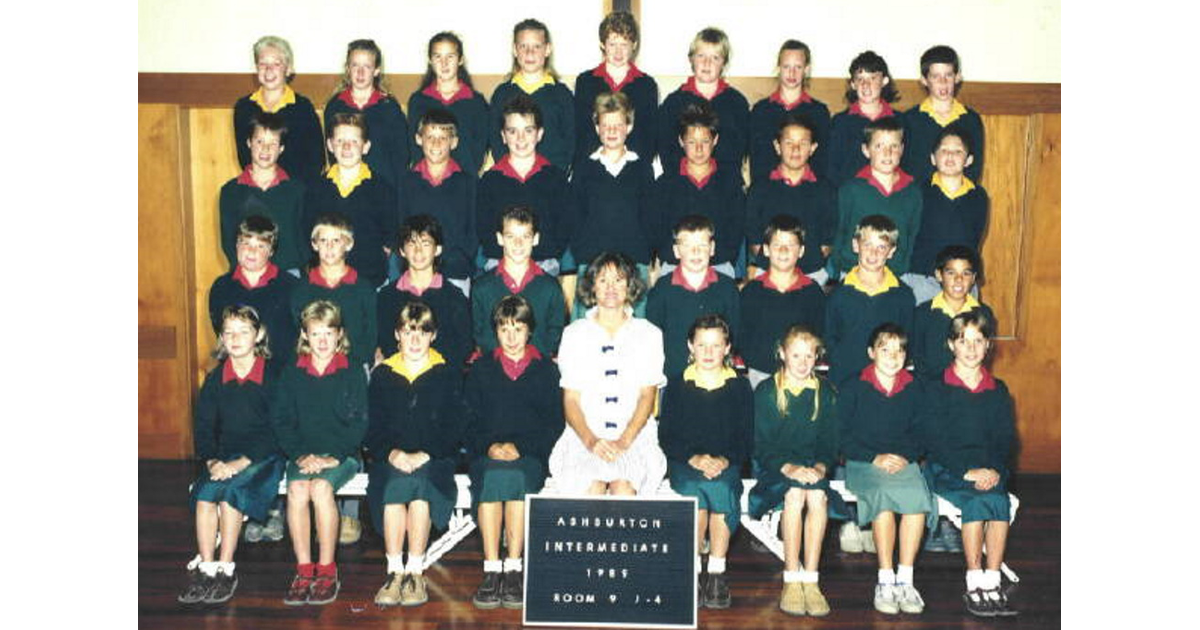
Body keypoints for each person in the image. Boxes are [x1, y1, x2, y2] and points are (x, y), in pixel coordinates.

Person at [179, 305, 284, 605]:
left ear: (258, 335)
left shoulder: (272, 377)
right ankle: (207, 569)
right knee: (205, 494)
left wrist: (241, 462)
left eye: (244, 331)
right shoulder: (215, 380)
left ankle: (226, 569)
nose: (236, 339)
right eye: (229, 332)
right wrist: (212, 460)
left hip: (263, 456)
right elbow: (203, 427)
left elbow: (277, 430)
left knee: (231, 494)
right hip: (224, 458)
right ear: (221, 338)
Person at [465, 295, 564, 609]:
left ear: (529, 331)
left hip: (530, 455)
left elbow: (554, 425)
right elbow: (468, 421)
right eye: (504, 328)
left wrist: (522, 448)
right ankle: (492, 569)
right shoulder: (481, 368)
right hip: (488, 453)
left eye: (518, 329)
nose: (511, 337)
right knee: (493, 479)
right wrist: (490, 446)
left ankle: (514, 568)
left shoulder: (546, 370)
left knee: (519, 478)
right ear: (495, 331)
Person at [367, 301, 466, 608]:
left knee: (421, 490)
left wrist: (427, 454)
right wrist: (392, 453)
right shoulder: (383, 374)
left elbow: (456, 424)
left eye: (422, 332)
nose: (414, 340)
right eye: (408, 332)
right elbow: (372, 425)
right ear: (397, 334)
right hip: (392, 456)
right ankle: (395, 570)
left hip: (433, 457)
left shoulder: (446, 372)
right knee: (394, 488)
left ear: (433, 336)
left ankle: (415, 569)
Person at [273, 300, 368, 606]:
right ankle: (303, 570)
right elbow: (282, 421)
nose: (323, 341)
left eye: (329, 333)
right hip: (303, 453)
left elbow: (359, 424)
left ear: (340, 335)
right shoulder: (292, 373)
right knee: (298, 488)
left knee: (322, 487)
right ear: (305, 336)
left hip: (343, 454)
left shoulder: (351, 371)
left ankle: (327, 570)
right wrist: (300, 455)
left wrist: (334, 457)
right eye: (316, 334)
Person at [547, 252, 667, 496]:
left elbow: (647, 397)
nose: (611, 288)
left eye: (618, 280)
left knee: (623, 488)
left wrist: (624, 441)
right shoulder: (573, 334)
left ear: (630, 285)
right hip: (584, 437)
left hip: (634, 438)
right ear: (592, 286)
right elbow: (571, 400)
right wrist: (591, 441)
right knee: (592, 488)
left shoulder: (649, 334)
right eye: (603, 280)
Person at [922, 311, 1017, 617]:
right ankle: (975, 579)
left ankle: (992, 580)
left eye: (979, 341)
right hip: (948, 468)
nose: (971, 348)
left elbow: (1006, 440)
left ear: (988, 345)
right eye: (964, 341)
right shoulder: (937, 387)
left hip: (988, 469)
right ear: (952, 345)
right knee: (977, 502)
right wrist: (967, 471)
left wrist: (995, 470)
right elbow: (934, 440)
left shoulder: (997, 390)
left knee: (997, 499)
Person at [658, 314, 753, 610]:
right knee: (694, 493)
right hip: (687, 461)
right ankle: (692, 570)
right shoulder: (676, 385)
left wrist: (724, 460)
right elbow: (667, 435)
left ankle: (716, 572)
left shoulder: (739, 387)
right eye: (702, 345)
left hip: (726, 462)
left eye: (716, 345)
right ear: (690, 346)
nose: (709, 352)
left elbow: (746, 438)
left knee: (722, 490)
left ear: (727, 348)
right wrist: (694, 458)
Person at [839, 323, 935, 616]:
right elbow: (840, 436)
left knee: (917, 496)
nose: (893, 356)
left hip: (902, 461)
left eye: (899, 350)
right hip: (864, 461)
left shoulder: (915, 387)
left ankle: (905, 579)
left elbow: (923, 432)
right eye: (885, 349)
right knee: (882, 494)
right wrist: (874, 457)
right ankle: (885, 579)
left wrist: (905, 456)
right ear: (871, 352)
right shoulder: (854, 386)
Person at [747, 325, 837, 616]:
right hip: (776, 469)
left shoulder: (824, 391)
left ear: (817, 357)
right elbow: (761, 445)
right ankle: (790, 578)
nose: (802, 363)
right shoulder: (766, 391)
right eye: (795, 355)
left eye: (808, 356)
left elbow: (829, 442)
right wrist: (789, 468)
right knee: (796, 495)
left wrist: (822, 467)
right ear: (782, 354)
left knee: (818, 499)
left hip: (812, 468)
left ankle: (810, 579)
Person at [567, 91, 656, 316]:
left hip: (634, 263)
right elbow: (575, 215)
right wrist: (582, 253)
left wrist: (645, 253)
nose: (612, 131)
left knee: (634, 332)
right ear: (597, 128)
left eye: (618, 124)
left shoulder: (642, 167)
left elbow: (650, 215)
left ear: (629, 126)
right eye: (606, 125)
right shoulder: (584, 168)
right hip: (592, 262)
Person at [476, 96, 573, 275]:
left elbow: (564, 225)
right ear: (503, 136)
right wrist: (507, 259)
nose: (520, 138)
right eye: (512, 131)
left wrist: (543, 254)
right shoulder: (490, 181)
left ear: (540, 134)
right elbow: (483, 229)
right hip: (500, 263)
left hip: (544, 262)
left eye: (528, 130)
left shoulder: (556, 178)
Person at [304, 113, 399, 289]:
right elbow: (307, 231)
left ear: (366, 147)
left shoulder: (382, 188)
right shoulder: (316, 189)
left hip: (370, 280)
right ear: (330, 145)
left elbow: (391, 235)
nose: (347, 147)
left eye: (354, 141)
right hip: (327, 281)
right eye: (340, 141)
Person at [654, 104, 745, 278]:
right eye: (691, 142)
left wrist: (719, 258)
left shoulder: (730, 182)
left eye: (705, 142)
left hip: (718, 266)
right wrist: (673, 256)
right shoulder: (665, 183)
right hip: (675, 267)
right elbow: (657, 228)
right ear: (681, 141)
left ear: (715, 140)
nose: (698, 149)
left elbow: (736, 228)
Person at [824, 215, 915, 388]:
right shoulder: (837, 294)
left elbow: (907, 341)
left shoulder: (903, 296)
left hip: (887, 383)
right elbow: (830, 339)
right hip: (845, 382)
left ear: (891, 251)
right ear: (855, 245)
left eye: (881, 247)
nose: (873, 253)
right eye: (867, 245)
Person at [745, 113, 835, 284]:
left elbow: (827, 241)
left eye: (803, 143)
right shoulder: (760, 188)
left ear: (813, 148)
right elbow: (755, 238)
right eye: (789, 143)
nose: (795, 149)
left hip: (811, 274)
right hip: (768, 273)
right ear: (777, 146)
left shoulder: (825, 189)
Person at [646, 215, 741, 378]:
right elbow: (652, 338)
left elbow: (736, 334)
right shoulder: (662, 290)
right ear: (676, 251)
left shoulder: (727, 288)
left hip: (717, 378)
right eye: (688, 246)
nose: (696, 252)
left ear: (712, 248)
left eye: (702, 245)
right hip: (674, 378)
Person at [738, 216, 826, 389]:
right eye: (777, 245)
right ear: (766, 249)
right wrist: (756, 362)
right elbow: (743, 334)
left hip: (801, 373)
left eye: (791, 245)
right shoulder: (752, 291)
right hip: (760, 374)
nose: (784, 250)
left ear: (801, 251)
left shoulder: (812, 291)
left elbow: (820, 332)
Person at [905, 127, 990, 303]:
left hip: (962, 282)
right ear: (932, 158)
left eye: (958, 151)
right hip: (923, 279)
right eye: (944, 151)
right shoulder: (917, 192)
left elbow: (975, 238)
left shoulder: (978, 196)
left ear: (969, 160)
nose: (950, 156)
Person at [376, 215, 472, 370]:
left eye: (426, 243)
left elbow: (463, 347)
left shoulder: (454, 297)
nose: (418, 250)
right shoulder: (387, 297)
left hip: (441, 379)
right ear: (401, 250)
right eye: (411, 243)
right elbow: (385, 344)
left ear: (438, 249)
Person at [830, 117, 922, 278]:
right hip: (852, 273)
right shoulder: (851, 190)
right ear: (866, 150)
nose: (887, 153)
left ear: (902, 149)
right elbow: (839, 233)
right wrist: (835, 273)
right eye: (879, 146)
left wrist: (903, 269)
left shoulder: (913, 193)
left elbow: (913, 235)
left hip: (896, 276)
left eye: (893, 146)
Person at [399, 109, 478, 293]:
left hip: (455, 270)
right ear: (419, 139)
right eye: (430, 137)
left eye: (443, 138)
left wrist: (463, 257)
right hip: (416, 270)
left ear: (454, 142)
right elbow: (401, 225)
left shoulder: (467, 182)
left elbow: (473, 228)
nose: (436, 143)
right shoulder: (407, 181)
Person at [471, 205, 566, 357]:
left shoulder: (550, 287)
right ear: (500, 238)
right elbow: (479, 334)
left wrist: (527, 360)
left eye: (525, 236)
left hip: (536, 370)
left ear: (535, 239)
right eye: (511, 236)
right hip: (494, 370)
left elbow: (554, 334)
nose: (518, 243)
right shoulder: (482, 287)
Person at [219, 112, 308, 274]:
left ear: (281, 148)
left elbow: (303, 239)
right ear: (249, 143)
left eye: (273, 143)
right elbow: (228, 240)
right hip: (247, 272)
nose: (265, 149)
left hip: (288, 272)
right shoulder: (231, 191)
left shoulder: (297, 190)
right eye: (259, 141)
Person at [209, 215, 300, 373]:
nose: (251, 251)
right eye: (246, 243)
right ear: (237, 245)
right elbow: (221, 331)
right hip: (237, 373)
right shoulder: (221, 287)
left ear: (271, 251)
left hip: (280, 375)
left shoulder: (291, 286)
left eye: (260, 246)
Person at [290, 213, 377, 371]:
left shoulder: (363, 287)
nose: (329, 247)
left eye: (336, 241)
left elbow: (371, 333)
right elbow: (298, 332)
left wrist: (359, 361)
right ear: (315, 245)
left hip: (354, 366)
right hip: (314, 366)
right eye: (323, 240)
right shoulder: (302, 289)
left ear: (348, 244)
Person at [234, 36, 324, 187]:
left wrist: (291, 191)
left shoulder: (303, 108)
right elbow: (244, 157)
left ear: (288, 69)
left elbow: (316, 159)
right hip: (258, 188)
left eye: (276, 64)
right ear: (256, 68)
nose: (269, 70)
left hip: (296, 190)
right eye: (263, 64)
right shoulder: (244, 108)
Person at [656, 27, 749, 174]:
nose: (707, 63)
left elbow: (739, 151)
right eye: (701, 56)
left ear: (724, 63)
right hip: (683, 185)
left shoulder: (737, 103)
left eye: (715, 58)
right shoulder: (673, 103)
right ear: (691, 59)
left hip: (725, 184)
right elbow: (667, 152)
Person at [323, 39, 410, 195]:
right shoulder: (335, 106)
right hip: (345, 187)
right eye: (355, 65)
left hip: (383, 188)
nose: (360, 73)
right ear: (348, 69)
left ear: (376, 70)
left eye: (367, 67)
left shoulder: (389, 108)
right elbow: (332, 154)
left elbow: (401, 157)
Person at [489, 18, 574, 171]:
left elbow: (570, 141)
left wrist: (556, 175)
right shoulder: (502, 94)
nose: (530, 53)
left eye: (537, 46)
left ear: (547, 49)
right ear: (515, 50)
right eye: (523, 46)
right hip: (511, 180)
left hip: (551, 181)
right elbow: (495, 139)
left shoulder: (562, 94)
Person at [573, 10, 658, 162]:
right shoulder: (585, 82)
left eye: (624, 44)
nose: (618, 52)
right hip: (593, 165)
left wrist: (630, 163)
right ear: (602, 44)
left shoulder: (647, 85)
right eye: (612, 44)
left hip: (634, 167)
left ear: (634, 46)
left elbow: (649, 135)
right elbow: (581, 132)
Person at [407, 32, 491, 178]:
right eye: (438, 57)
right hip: (426, 182)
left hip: (464, 182)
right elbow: (414, 148)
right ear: (430, 60)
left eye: (450, 57)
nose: (444, 63)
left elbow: (479, 150)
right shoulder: (418, 101)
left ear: (460, 60)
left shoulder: (476, 103)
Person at [749, 40, 831, 184]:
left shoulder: (819, 112)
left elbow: (822, 161)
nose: (792, 73)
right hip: (769, 190)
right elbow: (757, 162)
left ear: (806, 69)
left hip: (808, 191)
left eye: (798, 67)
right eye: (787, 66)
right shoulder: (761, 111)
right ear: (779, 68)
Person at [901, 45, 985, 184]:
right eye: (935, 76)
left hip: (958, 198)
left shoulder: (971, 120)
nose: (943, 82)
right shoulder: (909, 120)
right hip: (920, 199)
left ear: (957, 77)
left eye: (948, 75)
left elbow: (974, 169)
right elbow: (905, 168)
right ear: (924, 80)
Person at [911, 245, 996, 380]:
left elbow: (984, 358)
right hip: (932, 391)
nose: (959, 279)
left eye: (966, 273)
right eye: (951, 273)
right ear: (939, 275)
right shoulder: (922, 314)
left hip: (969, 390)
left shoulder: (984, 314)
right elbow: (918, 360)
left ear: (973, 278)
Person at [826, 51, 900, 188]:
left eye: (872, 78)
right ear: (853, 84)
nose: (866, 85)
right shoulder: (840, 122)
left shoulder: (900, 121)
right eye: (860, 79)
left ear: (884, 81)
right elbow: (832, 170)